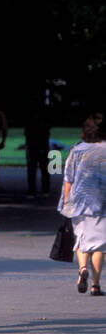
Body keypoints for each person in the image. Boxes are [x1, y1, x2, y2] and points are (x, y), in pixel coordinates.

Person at [58, 113, 106, 296]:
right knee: (100, 245)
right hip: (101, 202)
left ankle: (82, 268)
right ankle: (95, 285)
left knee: (81, 240)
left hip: (78, 201)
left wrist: (65, 201)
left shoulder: (77, 150)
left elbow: (68, 178)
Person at [24, 104, 52, 197]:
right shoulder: (43, 123)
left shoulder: (30, 123)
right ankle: (45, 190)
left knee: (32, 169)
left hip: (33, 146)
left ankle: (32, 191)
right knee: (44, 169)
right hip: (41, 146)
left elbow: (27, 135)